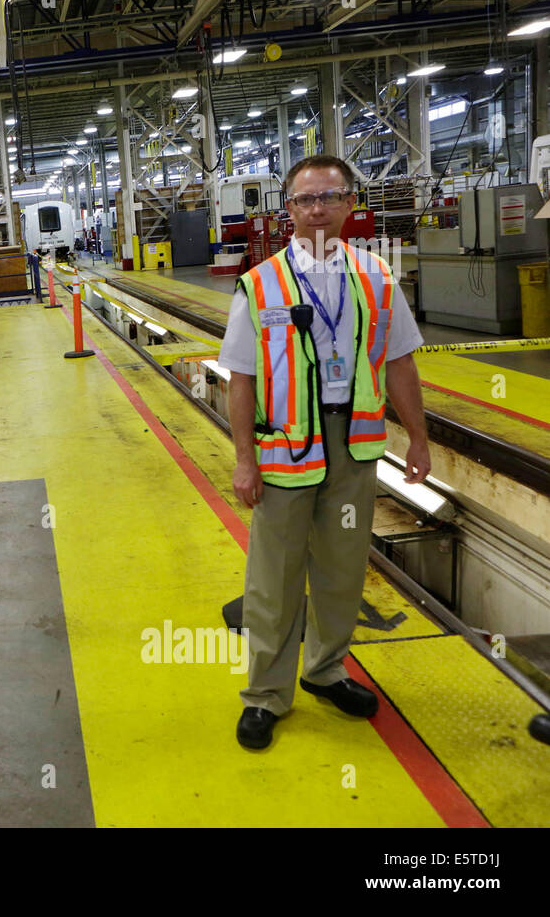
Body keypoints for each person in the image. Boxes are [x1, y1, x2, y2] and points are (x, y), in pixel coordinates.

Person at [216, 154, 431, 750]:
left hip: (354, 443)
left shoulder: (377, 277)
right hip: (286, 447)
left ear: (349, 205)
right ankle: (265, 695)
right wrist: (242, 458)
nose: (317, 209)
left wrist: (418, 435)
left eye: (329, 197)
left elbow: (400, 362)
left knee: (341, 566)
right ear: (288, 210)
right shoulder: (260, 284)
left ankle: (326, 670)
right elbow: (241, 378)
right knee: (274, 575)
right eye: (305, 199)